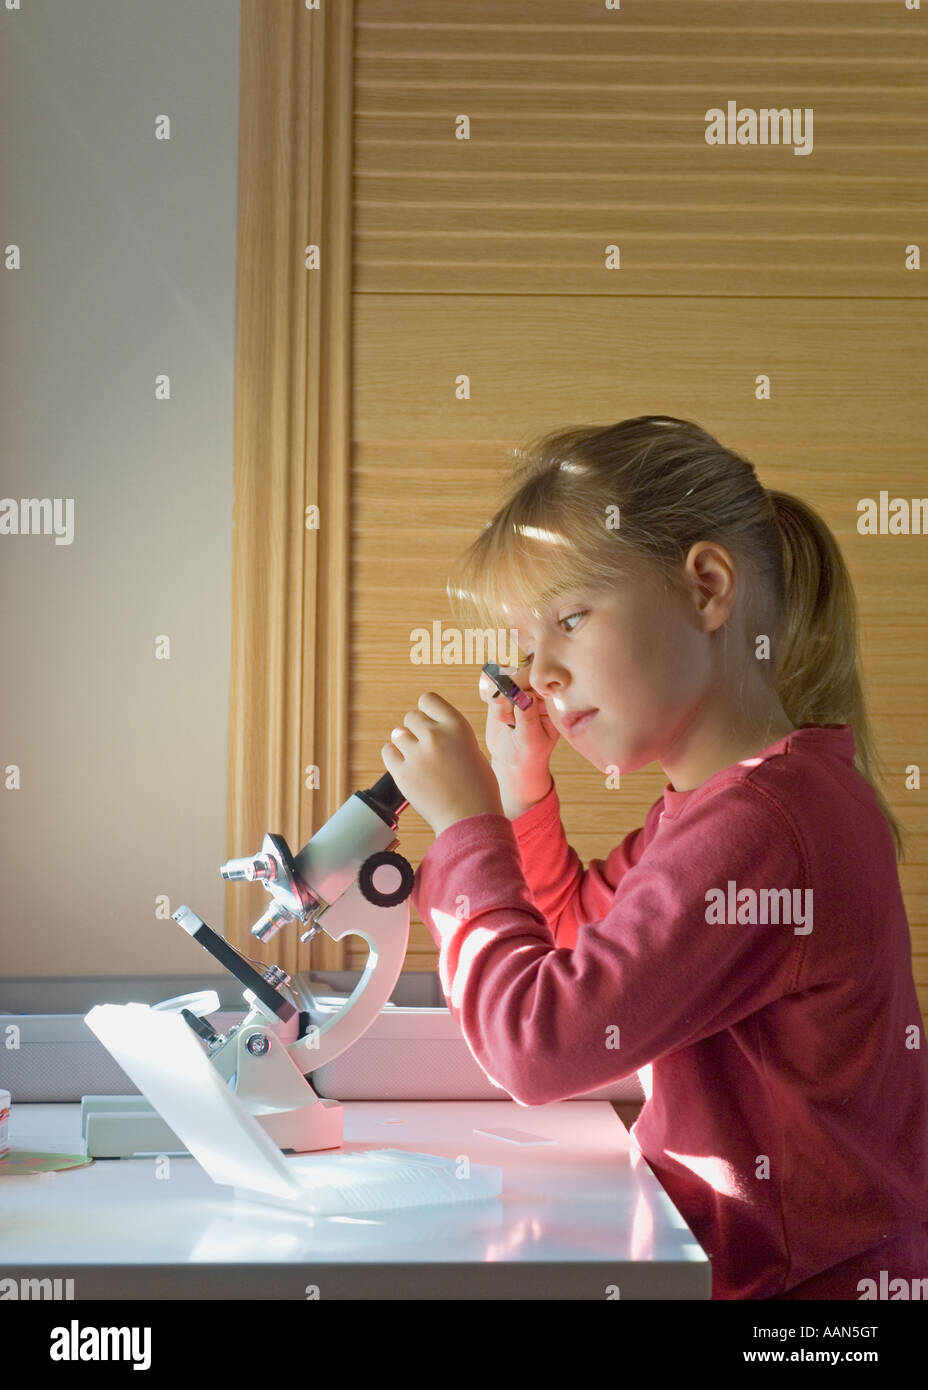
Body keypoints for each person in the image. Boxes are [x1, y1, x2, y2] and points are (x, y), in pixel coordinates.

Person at [380, 415, 928, 1300]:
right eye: (530, 643)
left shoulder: (764, 830)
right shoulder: (729, 809)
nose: (543, 672)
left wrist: (465, 836)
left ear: (708, 589)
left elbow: (540, 1045)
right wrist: (519, 800)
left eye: (570, 618)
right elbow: (576, 958)